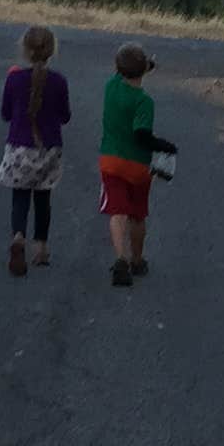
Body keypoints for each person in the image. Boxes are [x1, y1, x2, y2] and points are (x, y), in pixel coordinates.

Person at [0, 25, 72, 276]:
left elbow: (6, 114)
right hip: (48, 148)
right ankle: (41, 248)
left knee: (20, 196)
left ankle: (18, 236)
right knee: (43, 198)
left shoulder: (14, 79)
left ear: (25, 50)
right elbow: (65, 116)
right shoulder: (59, 82)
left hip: (19, 146)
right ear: (52, 51)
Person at [97, 43, 174, 289]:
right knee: (137, 215)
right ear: (143, 71)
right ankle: (137, 259)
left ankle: (120, 259)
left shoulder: (111, 87)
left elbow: (124, 69)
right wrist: (164, 145)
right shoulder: (144, 101)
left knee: (117, 211)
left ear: (118, 69)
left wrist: (141, 65)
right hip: (137, 166)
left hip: (110, 161)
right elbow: (142, 135)